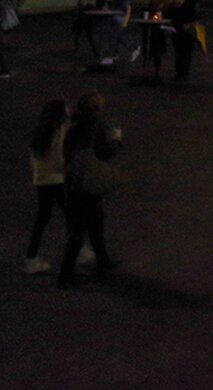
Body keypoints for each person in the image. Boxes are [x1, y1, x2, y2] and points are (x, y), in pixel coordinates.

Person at [58, 91, 121, 287]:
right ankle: (66, 275)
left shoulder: (72, 125)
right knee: (82, 228)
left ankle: (102, 259)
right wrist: (117, 140)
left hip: (73, 180)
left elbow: (65, 151)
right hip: (88, 181)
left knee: (93, 220)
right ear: (97, 107)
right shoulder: (98, 125)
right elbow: (104, 154)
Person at [24, 99, 69, 274]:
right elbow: (60, 158)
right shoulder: (60, 130)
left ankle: (31, 259)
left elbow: (32, 159)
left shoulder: (39, 130)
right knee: (72, 216)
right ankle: (80, 253)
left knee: (41, 220)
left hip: (41, 180)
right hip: (57, 179)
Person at [166, 0, 200, 83]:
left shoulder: (188, 4)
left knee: (184, 52)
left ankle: (182, 72)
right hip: (179, 30)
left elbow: (194, 16)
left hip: (185, 31)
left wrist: (189, 23)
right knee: (181, 52)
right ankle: (181, 72)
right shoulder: (177, 4)